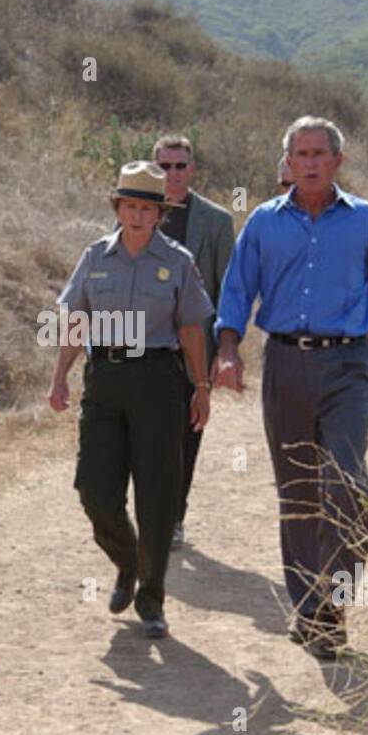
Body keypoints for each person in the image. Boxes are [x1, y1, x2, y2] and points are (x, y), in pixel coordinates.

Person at [213, 116, 368, 660]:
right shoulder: (263, 223)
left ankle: (333, 605)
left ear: (338, 161)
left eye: (321, 152)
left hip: (348, 364)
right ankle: (309, 609)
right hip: (285, 364)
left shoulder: (366, 221)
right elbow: (237, 290)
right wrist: (228, 350)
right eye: (302, 153)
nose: (312, 161)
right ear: (288, 163)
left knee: (347, 485)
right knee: (297, 492)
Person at [48, 161, 213, 640]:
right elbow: (76, 321)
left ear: (160, 213)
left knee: (157, 494)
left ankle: (152, 598)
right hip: (105, 379)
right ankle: (127, 560)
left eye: (147, 208)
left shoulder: (177, 260)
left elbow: (190, 328)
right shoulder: (95, 256)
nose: (138, 216)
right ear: (117, 208)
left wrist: (200, 388)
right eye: (130, 206)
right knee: (93, 489)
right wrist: (61, 376)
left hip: (158, 380)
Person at [153, 135, 235, 548]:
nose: (172, 174)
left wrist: (223, 352)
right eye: (164, 166)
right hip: (145, 346)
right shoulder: (137, 211)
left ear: (193, 168)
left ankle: (174, 517)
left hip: (194, 348)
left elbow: (229, 291)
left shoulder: (217, 222)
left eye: (180, 166)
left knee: (186, 433)